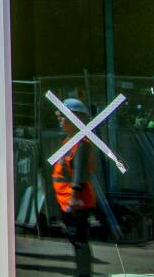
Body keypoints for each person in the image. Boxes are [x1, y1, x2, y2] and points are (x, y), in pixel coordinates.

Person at [53, 97, 98, 277]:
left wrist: (74, 198)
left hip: (76, 202)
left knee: (79, 241)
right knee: (77, 240)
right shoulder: (70, 141)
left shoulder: (80, 144)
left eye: (62, 116)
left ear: (74, 118)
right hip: (67, 200)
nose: (59, 120)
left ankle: (83, 274)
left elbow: (80, 172)